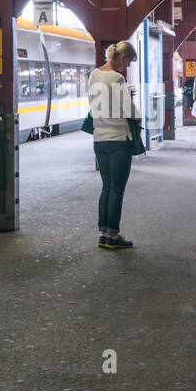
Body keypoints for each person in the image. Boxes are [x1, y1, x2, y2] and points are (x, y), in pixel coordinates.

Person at [88, 41, 139, 250]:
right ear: (122, 57)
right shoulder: (118, 78)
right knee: (117, 190)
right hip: (118, 140)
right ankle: (113, 235)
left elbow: (93, 106)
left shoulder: (94, 75)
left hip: (99, 139)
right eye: (129, 62)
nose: (128, 66)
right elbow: (129, 110)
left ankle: (103, 234)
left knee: (107, 187)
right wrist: (139, 116)